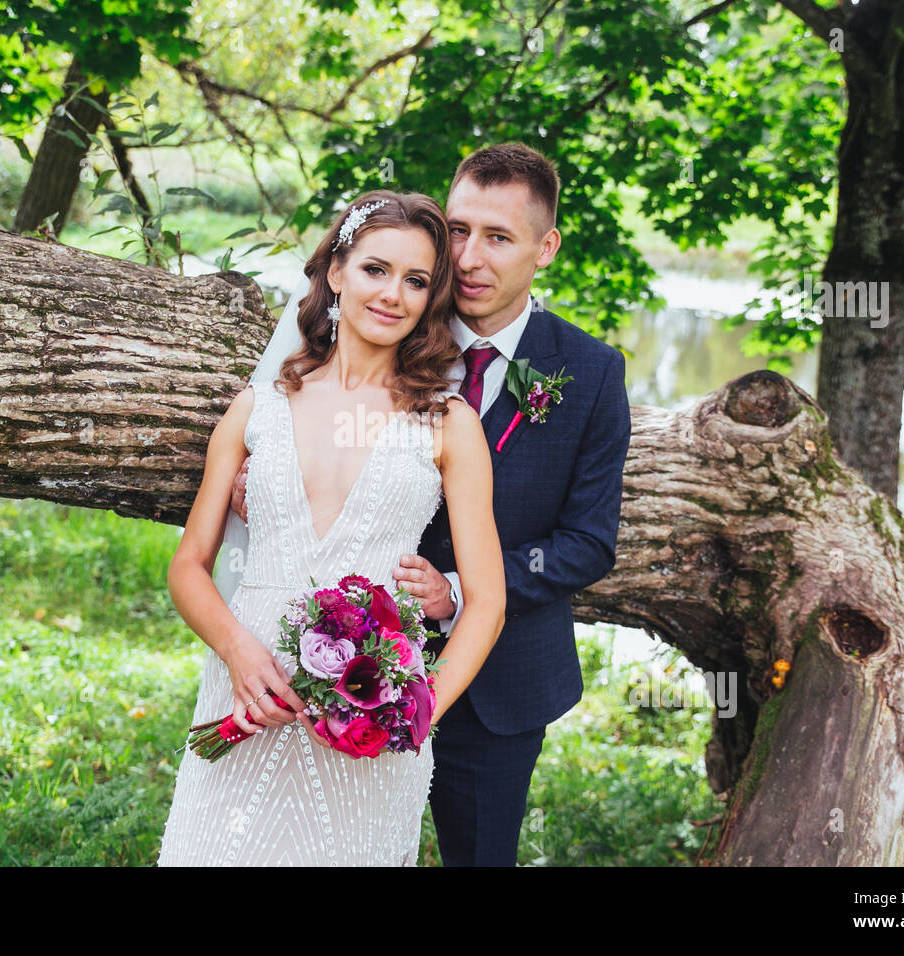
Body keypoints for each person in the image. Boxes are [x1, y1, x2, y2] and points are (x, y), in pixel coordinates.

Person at [228, 144, 630, 866]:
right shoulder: (391, 318)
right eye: (458, 229)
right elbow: (298, 422)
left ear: (546, 248)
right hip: (329, 657)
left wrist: (455, 592)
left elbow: (589, 540)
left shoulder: (591, 371)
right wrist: (270, 480)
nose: (469, 257)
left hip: (498, 682)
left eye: (498, 238)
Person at [157, 190, 505, 866]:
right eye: (376, 269)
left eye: (416, 281)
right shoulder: (256, 409)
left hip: (369, 728)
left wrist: (414, 707)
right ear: (336, 272)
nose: (392, 295)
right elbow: (187, 566)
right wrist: (236, 650)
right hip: (245, 701)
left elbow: (487, 603)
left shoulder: (447, 422)